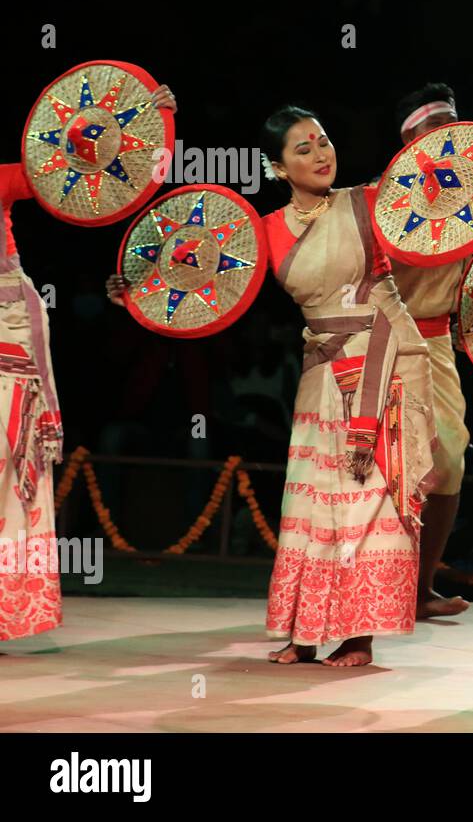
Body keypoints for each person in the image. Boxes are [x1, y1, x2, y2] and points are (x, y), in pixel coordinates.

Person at [111, 106, 440, 667]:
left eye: (324, 140)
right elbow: (203, 274)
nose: (320, 154)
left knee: (371, 498)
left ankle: (360, 636)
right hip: (321, 373)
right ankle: (305, 631)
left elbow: (440, 187)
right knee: (311, 501)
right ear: (277, 167)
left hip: (386, 361)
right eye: (303, 148)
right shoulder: (264, 230)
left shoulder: (367, 200)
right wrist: (138, 293)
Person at [2, 84, 176, 644]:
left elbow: (94, 169)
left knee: (5, 467)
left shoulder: (3, 179)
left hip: (7, 329)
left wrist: (154, 123)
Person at [384, 82, 473, 619]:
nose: (449, 135)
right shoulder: (383, 196)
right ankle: (356, 591)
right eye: (435, 127)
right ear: (409, 141)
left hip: (436, 340)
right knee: (374, 467)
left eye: (454, 124)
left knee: (448, 459)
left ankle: (419, 589)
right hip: (378, 338)